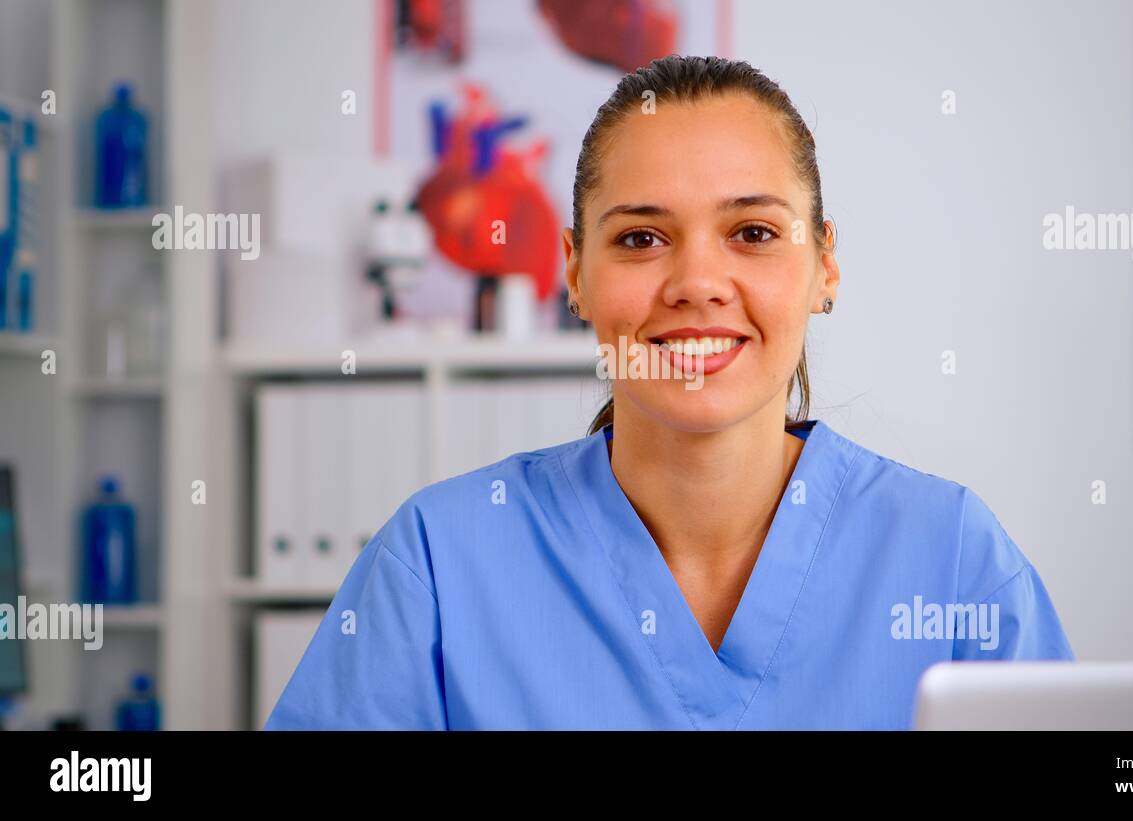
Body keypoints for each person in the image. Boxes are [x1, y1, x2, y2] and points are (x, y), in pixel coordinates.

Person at [266, 55, 1073, 731]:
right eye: (642, 238)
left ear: (824, 265)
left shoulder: (953, 558)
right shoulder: (437, 566)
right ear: (575, 273)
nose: (696, 283)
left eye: (753, 233)